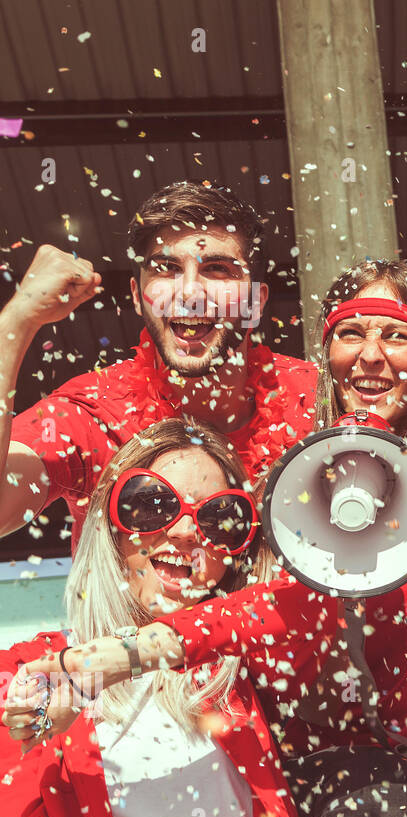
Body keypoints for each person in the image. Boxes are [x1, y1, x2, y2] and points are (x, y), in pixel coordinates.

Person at [21, 3, 407, 817]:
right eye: (350, 336)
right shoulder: (113, 404)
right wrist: (18, 324)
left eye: (220, 270)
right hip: (247, 764)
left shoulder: (358, 420)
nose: (373, 358)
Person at [0, 417, 310, 817]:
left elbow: (314, 604)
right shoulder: (33, 669)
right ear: (110, 525)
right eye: (151, 504)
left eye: (220, 518)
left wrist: (140, 652)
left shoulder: (246, 668)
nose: (185, 532)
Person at [0, 182, 318, 549]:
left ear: (256, 302)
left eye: (216, 269)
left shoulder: (316, 399)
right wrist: (19, 318)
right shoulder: (92, 413)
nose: (189, 293)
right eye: (166, 268)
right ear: (138, 296)